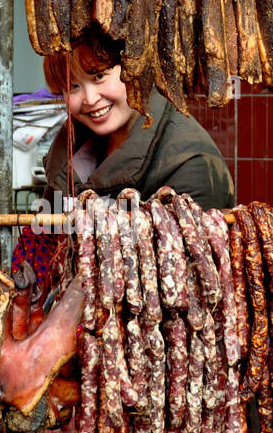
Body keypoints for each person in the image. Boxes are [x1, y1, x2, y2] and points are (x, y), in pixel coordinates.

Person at [12, 47, 234, 283]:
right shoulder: (72, 147)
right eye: (73, 86)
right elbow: (43, 241)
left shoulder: (191, 164)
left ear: (133, 67)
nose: (90, 99)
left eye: (98, 76)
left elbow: (184, 282)